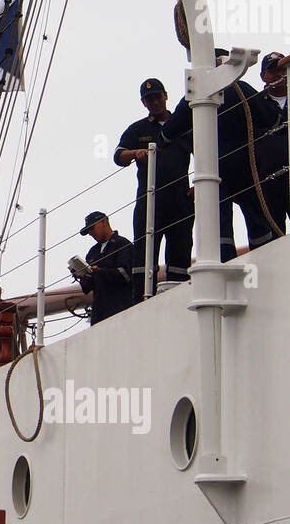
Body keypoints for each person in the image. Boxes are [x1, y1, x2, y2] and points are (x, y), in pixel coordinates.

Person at [163, 49, 281, 260]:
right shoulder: (242, 89)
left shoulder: (196, 92)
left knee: (220, 220)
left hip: (213, 168)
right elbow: (270, 118)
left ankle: (225, 264)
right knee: (256, 215)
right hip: (246, 164)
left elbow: (169, 132)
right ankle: (264, 261)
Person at [113, 78, 193, 300]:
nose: (155, 102)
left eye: (158, 97)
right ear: (143, 103)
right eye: (150, 99)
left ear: (166, 96)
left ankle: (179, 296)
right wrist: (135, 152)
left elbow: (204, 152)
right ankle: (141, 299)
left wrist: (198, 185)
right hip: (150, 199)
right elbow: (118, 156)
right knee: (145, 252)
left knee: (181, 247)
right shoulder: (138, 128)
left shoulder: (183, 124)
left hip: (180, 197)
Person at [69, 211, 133, 325]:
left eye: (92, 228)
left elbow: (126, 275)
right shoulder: (93, 252)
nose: (90, 233)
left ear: (103, 222)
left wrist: (100, 271)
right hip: (100, 311)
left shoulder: (122, 244)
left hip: (121, 307)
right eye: (88, 231)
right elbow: (88, 287)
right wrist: (82, 276)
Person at [254, 52, 290, 235]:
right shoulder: (254, 104)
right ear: (263, 76)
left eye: (282, 69)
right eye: (273, 70)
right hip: (268, 179)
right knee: (275, 234)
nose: (278, 74)